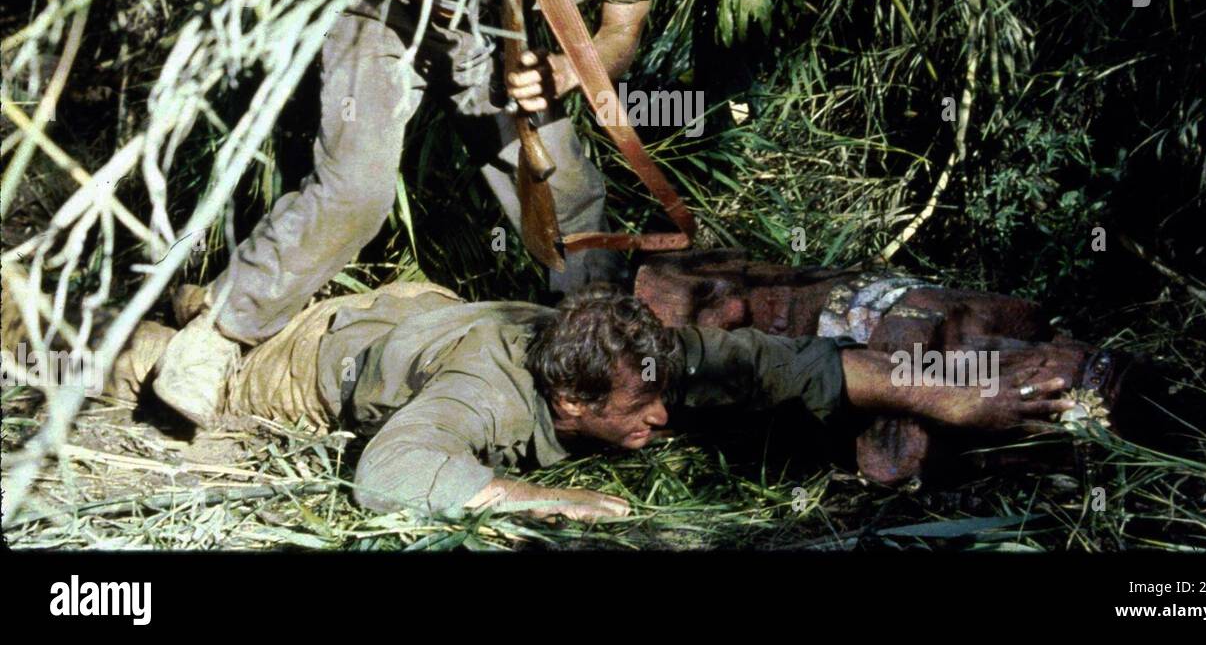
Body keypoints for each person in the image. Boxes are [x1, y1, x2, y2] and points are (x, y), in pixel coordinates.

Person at [151, 0, 745, 428]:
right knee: (357, 190)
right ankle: (216, 335)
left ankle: (592, 366)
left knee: (572, 191)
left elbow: (618, 36)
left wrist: (563, 72)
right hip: (387, 4)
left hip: (489, 40)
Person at [101, 282, 1078, 523]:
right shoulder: (487, 398)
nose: (662, 422)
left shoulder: (646, 358)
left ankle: (197, 291)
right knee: (145, 372)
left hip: (417, 309)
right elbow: (385, 472)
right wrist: (538, 500)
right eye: (637, 416)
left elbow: (799, 367)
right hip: (317, 363)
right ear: (568, 404)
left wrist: (958, 396)